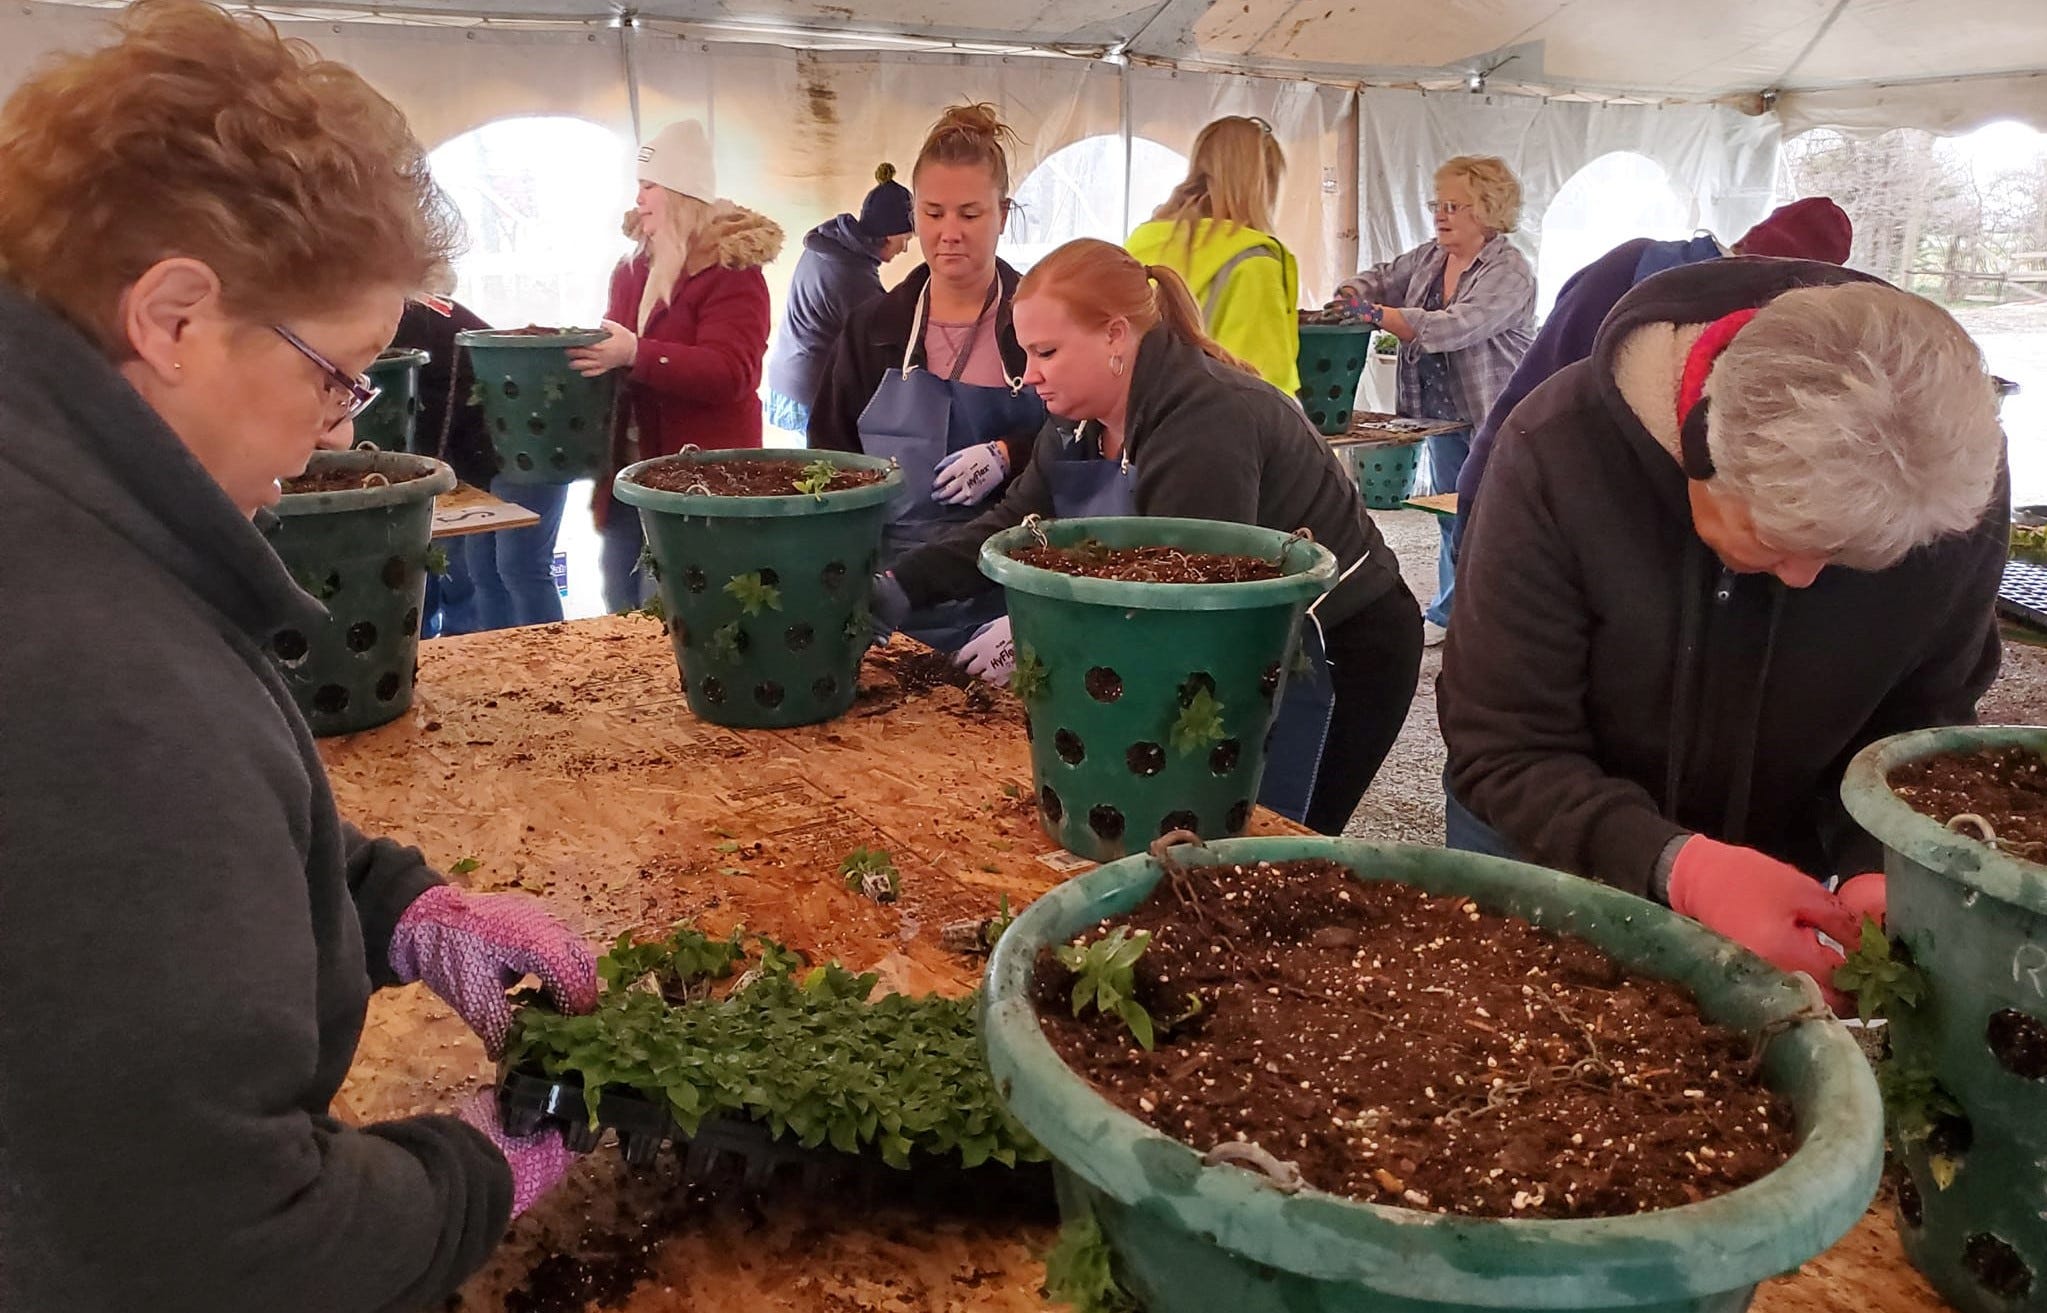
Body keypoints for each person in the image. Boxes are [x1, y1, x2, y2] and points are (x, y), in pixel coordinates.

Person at [0, 3, 602, 1307]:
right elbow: (218, 1242)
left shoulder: (75, 506)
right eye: (335, 374)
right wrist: (483, 1171)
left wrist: (390, 903)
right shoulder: (77, 672)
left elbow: (171, 870)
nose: (337, 427)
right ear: (172, 317)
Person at [1438, 257, 2007, 1010]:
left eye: (1842, 558)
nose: (1804, 576)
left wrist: (1879, 862)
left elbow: (1921, 716)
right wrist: (1680, 865)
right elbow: (1502, 748)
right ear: (1701, 442)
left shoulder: (1941, 487)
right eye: (1779, 540)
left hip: (1777, 866)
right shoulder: (1555, 451)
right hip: (1548, 838)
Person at [874, 239, 1422, 835]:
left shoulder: (1205, 420)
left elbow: (1180, 594)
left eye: (1046, 352)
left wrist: (1041, 632)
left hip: (1338, 649)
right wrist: (900, 585)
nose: (1029, 375)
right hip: (1226, 649)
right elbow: (1011, 524)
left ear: (1115, 336)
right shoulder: (1076, 423)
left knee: (1269, 851)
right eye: (1026, 353)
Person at [1451, 197, 1854, 553]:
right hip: (1534, 493)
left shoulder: (1772, 336)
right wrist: (1482, 500)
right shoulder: (1634, 270)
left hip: (1609, 522)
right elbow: (1535, 391)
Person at [808, 103, 1048, 651]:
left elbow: (1088, 444)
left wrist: (1011, 453)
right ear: (914, 215)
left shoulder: (1038, 318)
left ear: (1003, 215)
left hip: (1011, 601)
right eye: (934, 213)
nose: (950, 234)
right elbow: (827, 455)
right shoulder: (874, 327)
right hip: (888, 603)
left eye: (970, 214)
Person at [571, 119, 783, 612]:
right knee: (622, 614)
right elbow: (619, 346)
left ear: (681, 193)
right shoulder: (633, 269)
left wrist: (637, 354)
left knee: (678, 617)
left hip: (699, 486)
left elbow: (733, 372)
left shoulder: (733, 273)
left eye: (648, 187)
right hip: (630, 477)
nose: (638, 199)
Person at [1332, 155, 1534, 646]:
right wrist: (1351, 293)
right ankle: (1449, 614)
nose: (1441, 215)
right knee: (1453, 515)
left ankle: (1492, 619)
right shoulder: (1429, 258)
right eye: (1436, 204)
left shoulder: (1510, 271)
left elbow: (1454, 327)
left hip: (1495, 413)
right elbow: (1381, 277)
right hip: (1441, 415)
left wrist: (1373, 313)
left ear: (1487, 208)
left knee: (1490, 519)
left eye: (1454, 206)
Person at [397, 295, 569, 635]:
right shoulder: (414, 311)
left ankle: (549, 658)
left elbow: (424, 412)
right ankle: (498, 659)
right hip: (486, 449)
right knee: (483, 570)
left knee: (521, 567)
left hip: (529, 436)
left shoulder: (408, 318)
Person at [1125, 115, 1300, 393]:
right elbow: (1264, 381)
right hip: (1214, 420)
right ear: (1262, 183)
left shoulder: (1141, 241)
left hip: (1139, 417)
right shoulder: (1253, 260)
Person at [764, 163, 915, 437]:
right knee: (815, 475)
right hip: (809, 388)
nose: (904, 248)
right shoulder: (850, 275)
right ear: (889, 235)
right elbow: (883, 334)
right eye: (904, 239)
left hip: (789, 373)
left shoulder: (829, 247)